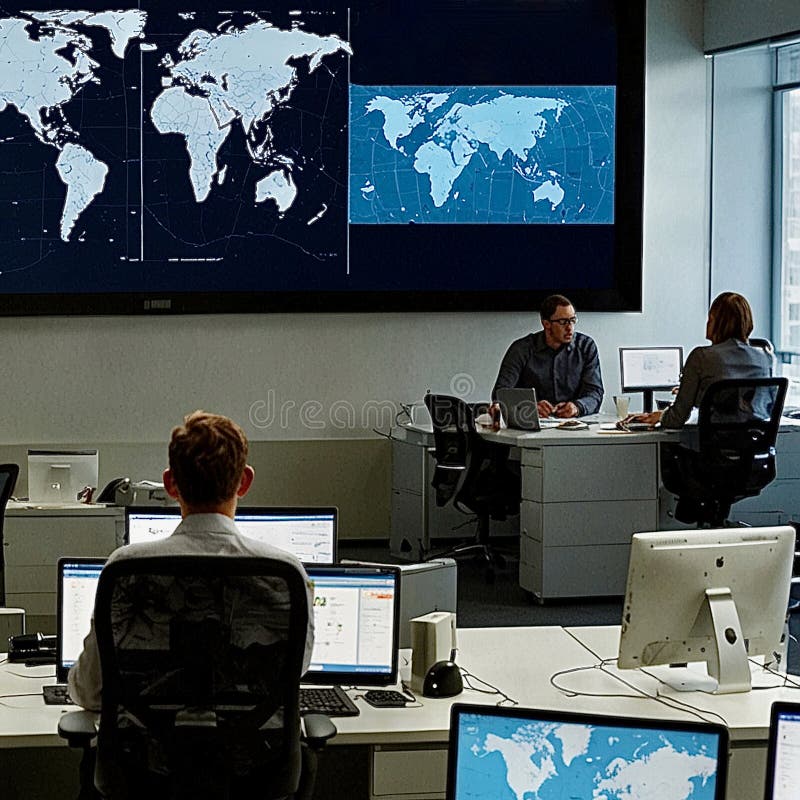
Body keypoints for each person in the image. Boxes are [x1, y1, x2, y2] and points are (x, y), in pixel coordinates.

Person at [68, 409, 314, 710]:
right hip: (255, 756)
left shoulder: (126, 569)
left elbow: (91, 692)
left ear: (170, 484)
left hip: (146, 756)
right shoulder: (285, 574)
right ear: (244, 481)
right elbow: (294, 673)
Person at [626, 291, 772, 428]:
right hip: (756, 446)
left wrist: (661, 416)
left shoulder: (702, 357)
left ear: (716, 323)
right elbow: (752, 406)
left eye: (711, 319)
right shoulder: (766, 358)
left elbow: (677, 419)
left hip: (715, 447)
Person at [492, 294, 604, 418]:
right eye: (563, 322)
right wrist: (529, 406)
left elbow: (595, 393)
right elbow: (500, 394)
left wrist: (577, 406)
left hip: (574, 425)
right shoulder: (522, 349)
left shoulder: (586, 347)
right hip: (531, 426)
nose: (570, 327)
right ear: (546, 324)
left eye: (572, 320)